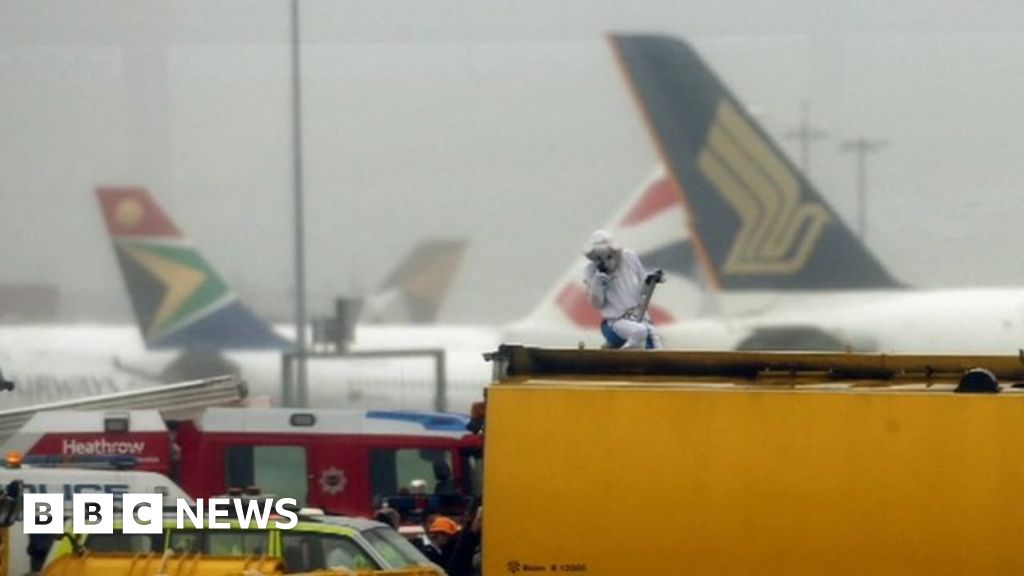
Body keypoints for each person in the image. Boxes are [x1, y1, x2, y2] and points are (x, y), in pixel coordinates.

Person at [583, 230, 664, 349]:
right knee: (640, 331)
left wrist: (651, 280)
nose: (605, 263)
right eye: (599, 259)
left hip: (638, 317)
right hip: (616, 322)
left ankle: (659, 361)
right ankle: (626, 356)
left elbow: (643, 286)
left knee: (655, 338)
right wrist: (597, 285)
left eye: (609, 257)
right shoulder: (591, 272)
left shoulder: (628, 258)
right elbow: (597, 304)